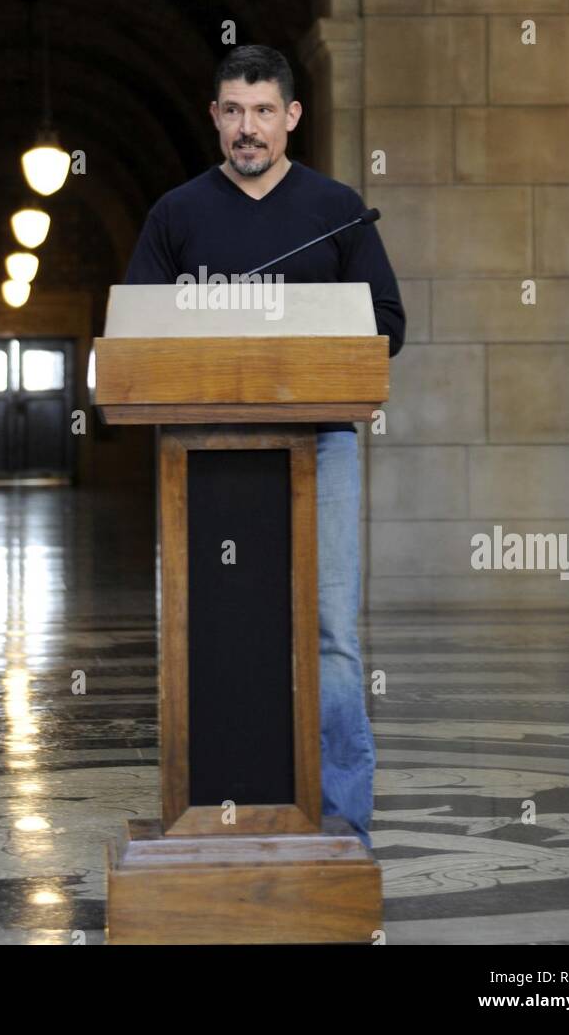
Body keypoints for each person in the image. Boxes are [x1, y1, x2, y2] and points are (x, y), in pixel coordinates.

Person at [123, 43, 406, 850]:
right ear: (215, 118)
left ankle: (345, 817)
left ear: (291, 117)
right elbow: (137, 332)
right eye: (233, 111)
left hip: (322, 446)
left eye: (263, 112)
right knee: (214, 626)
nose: (248, 128)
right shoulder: (176, 215)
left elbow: (387, 326)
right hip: (204, 456)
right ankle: (219, 803)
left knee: (332, 635)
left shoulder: (340, 210)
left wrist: (302, 332)